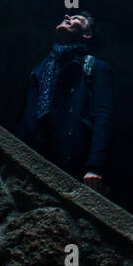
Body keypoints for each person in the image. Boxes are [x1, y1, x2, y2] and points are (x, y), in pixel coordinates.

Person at [17, 11, 114, 190]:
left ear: (87, 34)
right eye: (68, 16)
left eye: (77, 19)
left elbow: (102, 116)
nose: (68, 16)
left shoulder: (95, 67)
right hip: (39, 156)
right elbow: (28, 117)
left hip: (73, 161)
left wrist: (95, 166)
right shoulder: (41, 69)